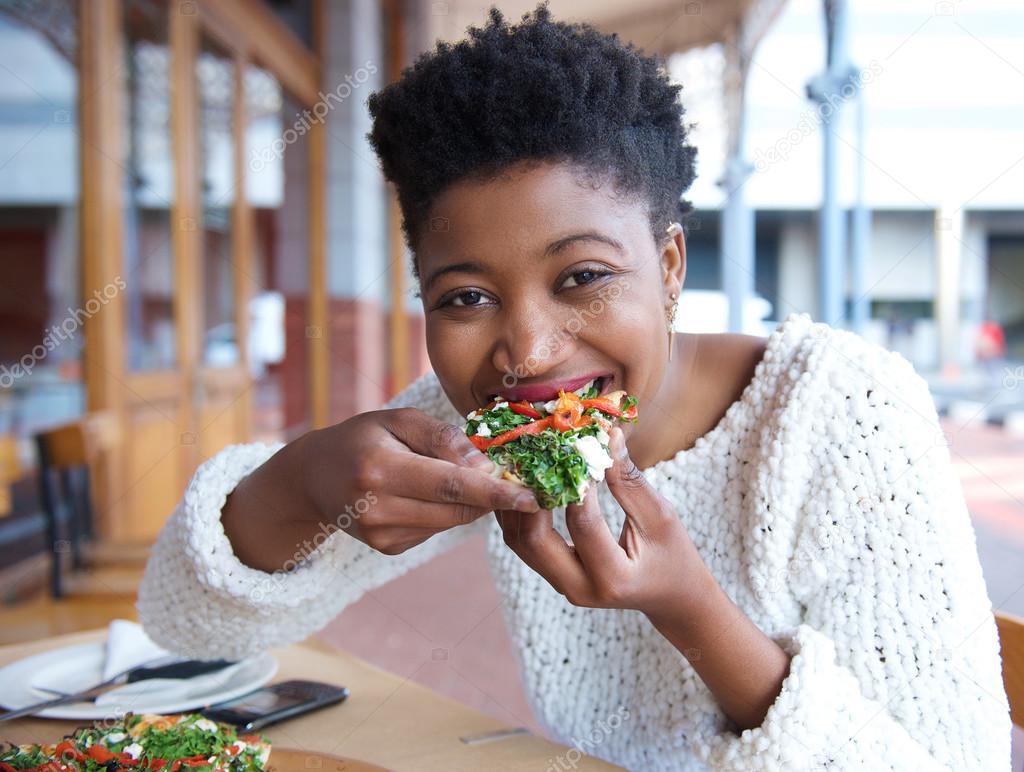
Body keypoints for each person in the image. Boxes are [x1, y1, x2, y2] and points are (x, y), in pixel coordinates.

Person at [137, 7, 1010, 769]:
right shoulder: (479, 431)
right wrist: (299, 485)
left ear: (670, 267)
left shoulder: (844, 411)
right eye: (466, 297)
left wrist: (692, 610)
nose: (526, 352)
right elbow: (188, 626)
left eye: (583, 277)